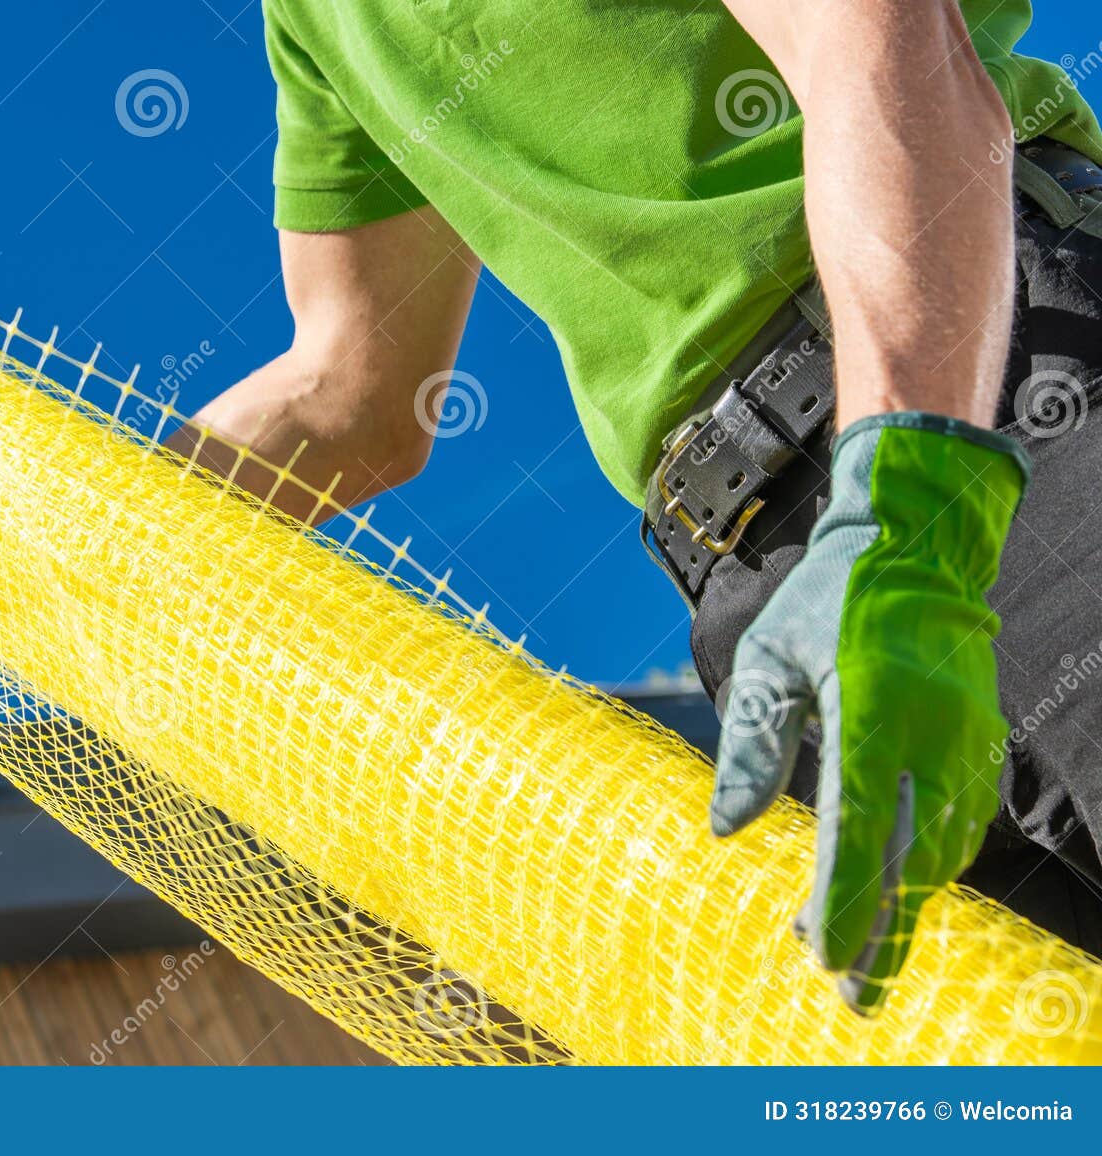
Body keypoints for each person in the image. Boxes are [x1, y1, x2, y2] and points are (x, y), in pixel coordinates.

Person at [154, 1, 1102, 1014]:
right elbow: (350, 392)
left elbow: (872, 30)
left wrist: (901, 512)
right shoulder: (311, 19)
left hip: (1004, 393)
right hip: (758, 583)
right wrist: (38, 549)